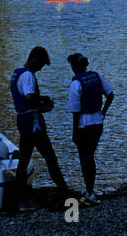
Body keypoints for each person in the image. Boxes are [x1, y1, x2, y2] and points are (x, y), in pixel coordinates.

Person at [10, 47, 71, 198]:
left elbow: (24, 100)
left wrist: (39, 105)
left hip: (22, 119)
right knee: (50, 157)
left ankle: (20, 196)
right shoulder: (28, 75)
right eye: (41, 64)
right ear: (35, 60)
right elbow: (30, 97)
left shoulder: (16, 74)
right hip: (33, 123)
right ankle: (64, 190)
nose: (41, 69)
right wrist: (44, 100)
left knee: (23, 160)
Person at [67, 52, 114, 203]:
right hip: (98, 123)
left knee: (84, 157)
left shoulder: (76, 83)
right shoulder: (96, 77)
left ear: (74, 66)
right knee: (90, 156)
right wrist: (103, 113)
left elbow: (75, 110)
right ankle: (90, 189)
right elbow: (110, 94)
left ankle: (90, 192)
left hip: (84, 124)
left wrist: (74, 132)